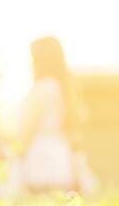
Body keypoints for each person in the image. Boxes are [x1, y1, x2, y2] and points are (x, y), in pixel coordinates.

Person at [20, 36, 92, 193]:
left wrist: (17, 155)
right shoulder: (66, 88)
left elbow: (26, 129)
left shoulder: (42, 88)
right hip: (62, 156)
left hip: (40, 158)